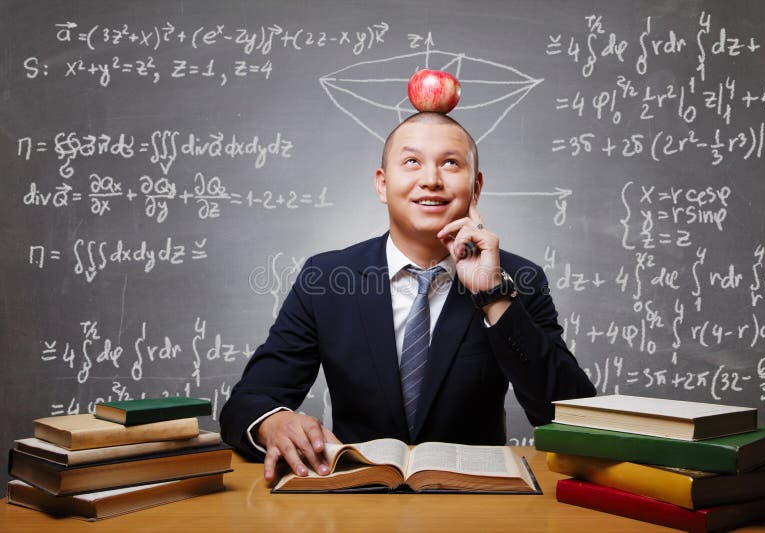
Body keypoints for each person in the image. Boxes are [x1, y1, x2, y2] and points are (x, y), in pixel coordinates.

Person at [219, 112, 595, 482]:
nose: (430, 180)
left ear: (476, 187)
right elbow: (247, 403)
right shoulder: (327, 278)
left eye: (450, 163)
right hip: (358, 499)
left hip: (475, 503)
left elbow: (571, 420)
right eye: (412, 162)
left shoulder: (520, 279)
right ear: (382, 184)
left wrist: (493, 294)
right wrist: (274, 422)